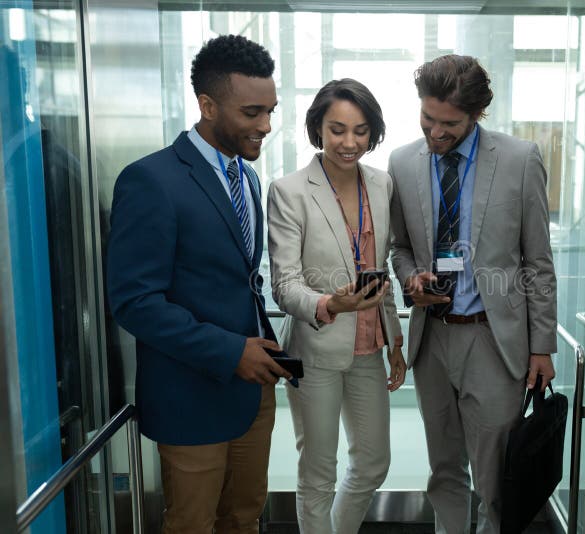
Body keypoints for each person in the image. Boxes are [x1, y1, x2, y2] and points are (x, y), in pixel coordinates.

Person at [106, 35, 291, 534]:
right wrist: (231, 351)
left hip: (253, 392)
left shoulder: (246, 177)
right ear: (207, 106)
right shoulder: (151, 180)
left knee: (245, 518)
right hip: (191, 394)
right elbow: (134, 301)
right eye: (252, 112)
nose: (266, 126)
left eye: (271, 111)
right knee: (192, 525)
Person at [389, 54, 558, 533]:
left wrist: (542, 344)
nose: (435, 132)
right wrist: (409, 279)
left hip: (493, 340)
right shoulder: (402, 162)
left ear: (477, 115)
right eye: (427, 118)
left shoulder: (521, 159)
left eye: (450, 123)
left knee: (494, 478)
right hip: (433, 340)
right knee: (444, 469)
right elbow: (400, 248)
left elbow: (538, 260)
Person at [267, 78, 406, 534]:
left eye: (361, 130)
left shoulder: (382, 184)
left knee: (372, 462)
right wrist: (331, 302)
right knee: (318, 473)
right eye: (338, 129)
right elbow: (284, 286)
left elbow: (380, 266)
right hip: (318, 348)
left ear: (373, 132)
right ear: (318, 129)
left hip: (369, 348)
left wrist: (396, 344)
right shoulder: (290, 191)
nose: (350, 142)